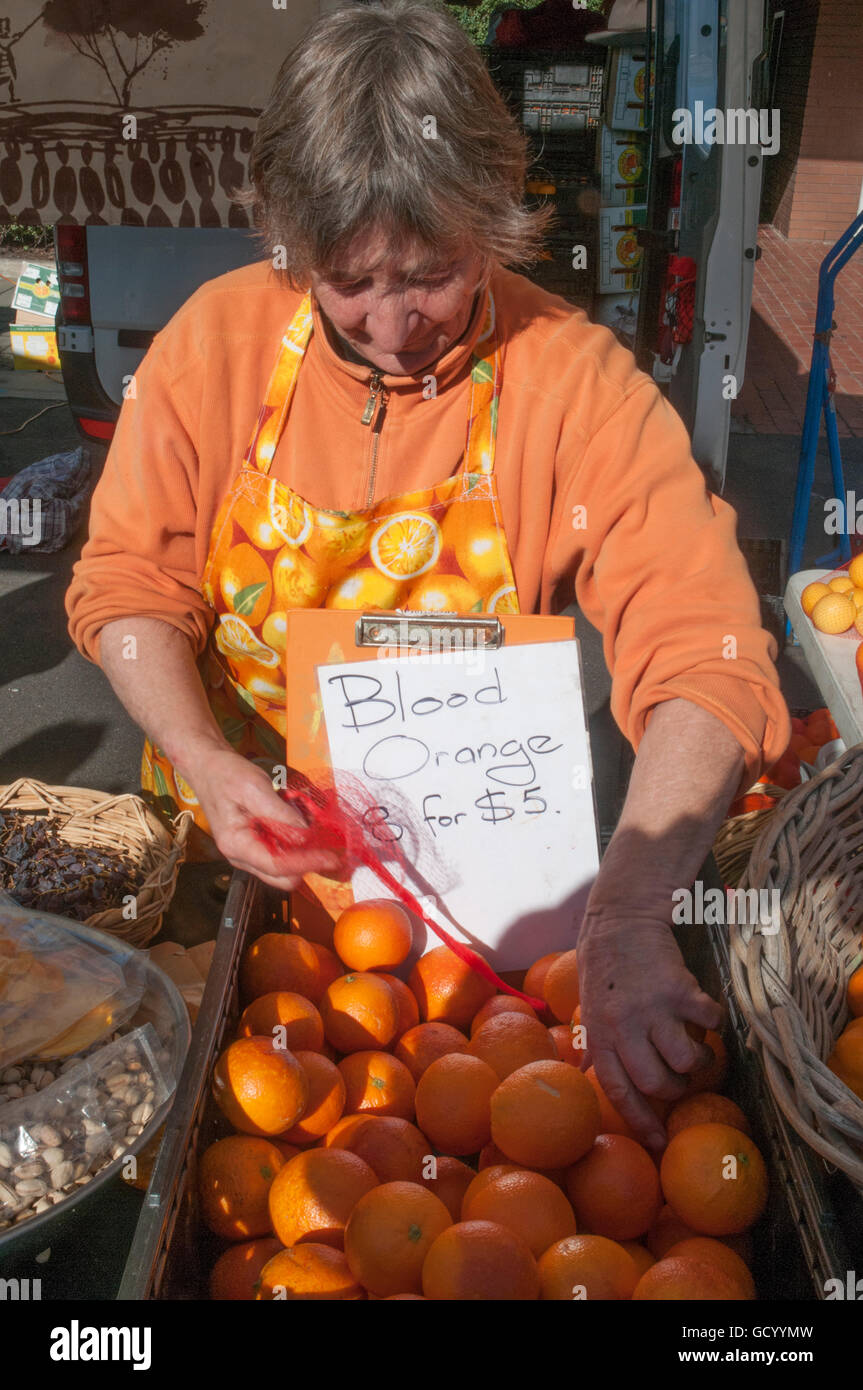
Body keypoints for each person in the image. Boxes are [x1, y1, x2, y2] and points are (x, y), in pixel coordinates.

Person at [66, 0, 790, 1148]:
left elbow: (704, 642)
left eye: (433, 273)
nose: (393, 325)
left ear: (493, 224)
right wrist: (202, 760)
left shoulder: (572, 382)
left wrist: (636, 903)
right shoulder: (220, 341)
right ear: (291, 245)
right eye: (348, 282)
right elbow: (127, 587)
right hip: (243, 887)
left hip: (493, 929)